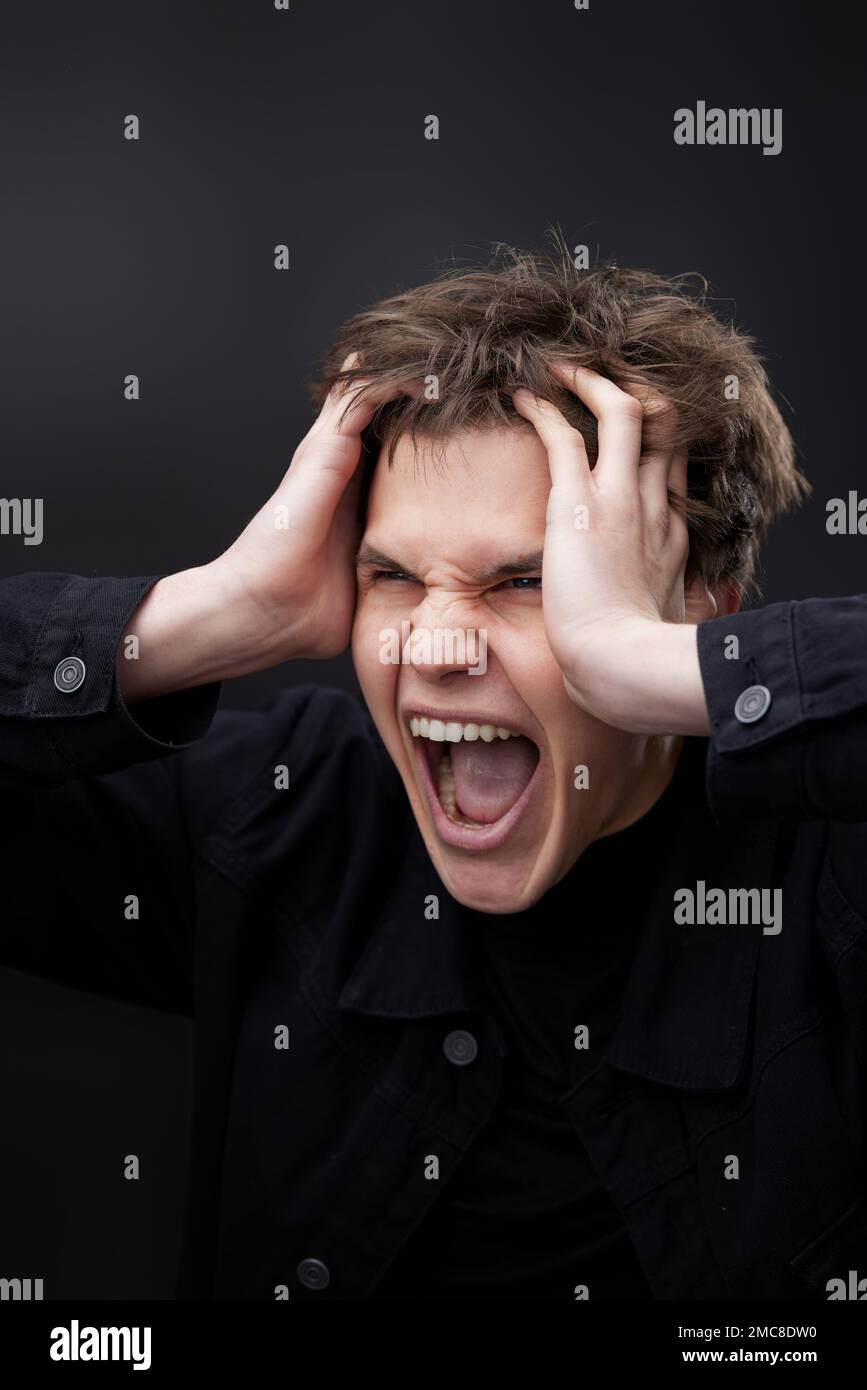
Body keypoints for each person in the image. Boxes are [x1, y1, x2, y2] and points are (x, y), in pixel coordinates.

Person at [2, 241, 866, 1301]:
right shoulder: (285, 816)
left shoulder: (827, 877)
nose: (434, 647)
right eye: (393, 577)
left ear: (705, 611)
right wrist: (203, 618)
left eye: (526, 581)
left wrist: (644, 661)